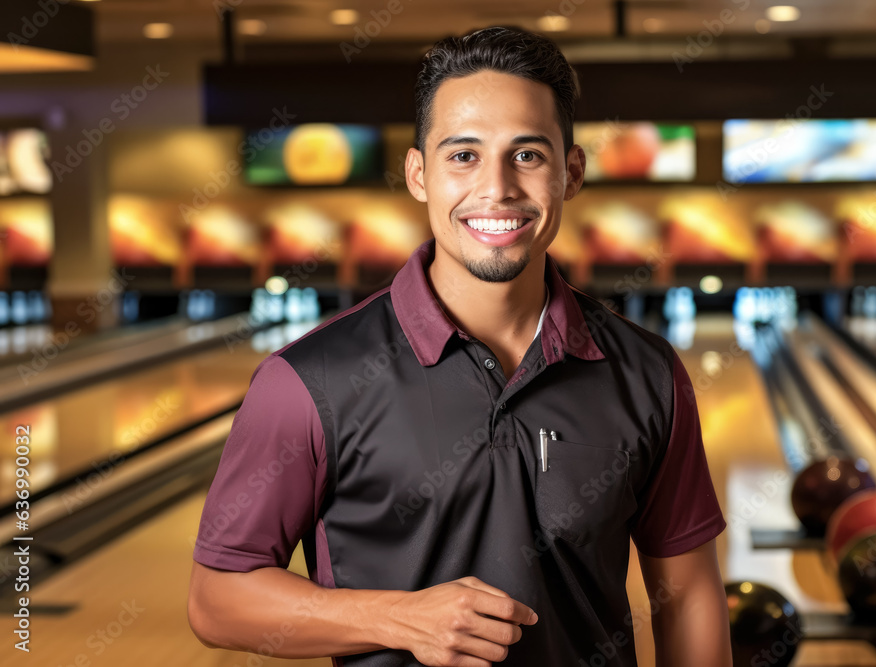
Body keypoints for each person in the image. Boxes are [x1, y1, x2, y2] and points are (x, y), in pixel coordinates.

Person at [188, 24, 731, 667]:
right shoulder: (310, 380)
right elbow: (217, 598)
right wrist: (396, 617)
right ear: (419, 173)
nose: (497, 188)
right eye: (463, 155)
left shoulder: (648, 375)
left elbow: (690, 591)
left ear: (572, 172)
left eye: (527, 155)